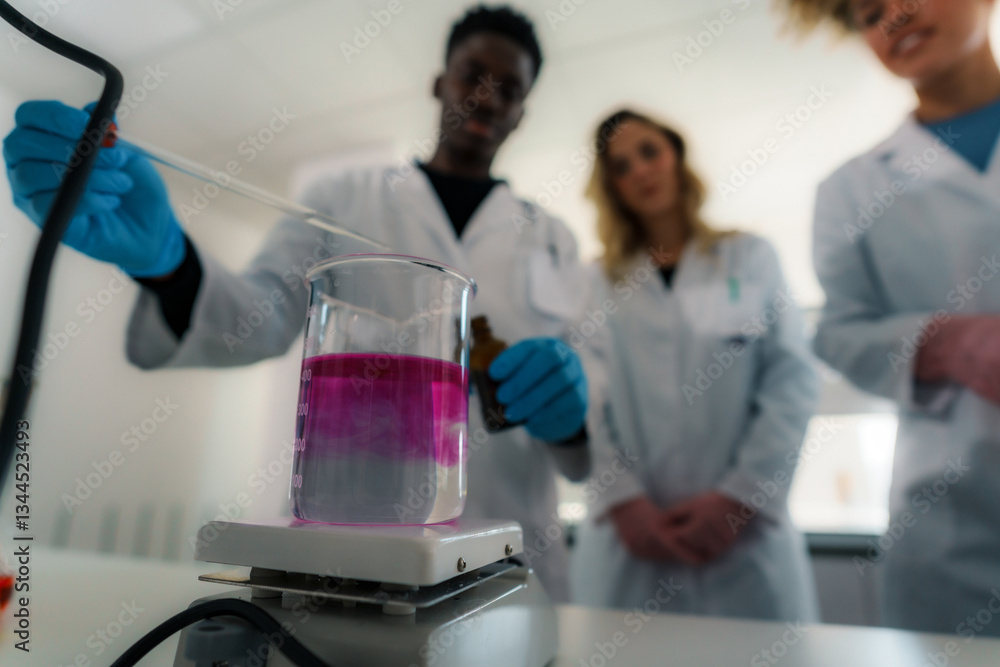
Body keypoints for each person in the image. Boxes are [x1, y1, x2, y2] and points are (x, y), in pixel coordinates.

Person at [2, 5, 593, 602]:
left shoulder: (555, 239)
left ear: (523, 112)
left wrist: (573, 421)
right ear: (440, 83)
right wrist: (168, 261)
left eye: (510, 88)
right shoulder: (341, 195)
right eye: (473, 75)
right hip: (353, 546)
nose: (489, 98)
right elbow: (259, 318)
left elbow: (591, 415)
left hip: (514, 553)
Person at [779, 0, 1000, 635]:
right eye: (868, 13)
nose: (894, 17)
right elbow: (840, 332)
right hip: (954, 531)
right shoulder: (850, 190)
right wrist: (949, 343)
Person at [569, 109, 819, 621]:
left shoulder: (748, 258)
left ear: (677, 157)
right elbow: (584, 402)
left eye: (649, 152)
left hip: (746, 545)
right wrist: (623, 502)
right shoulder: (594, 284)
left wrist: (740, 497)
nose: (640, 171)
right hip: (633, 545)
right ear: (611, 188)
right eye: (620, 166)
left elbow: (790, 381)